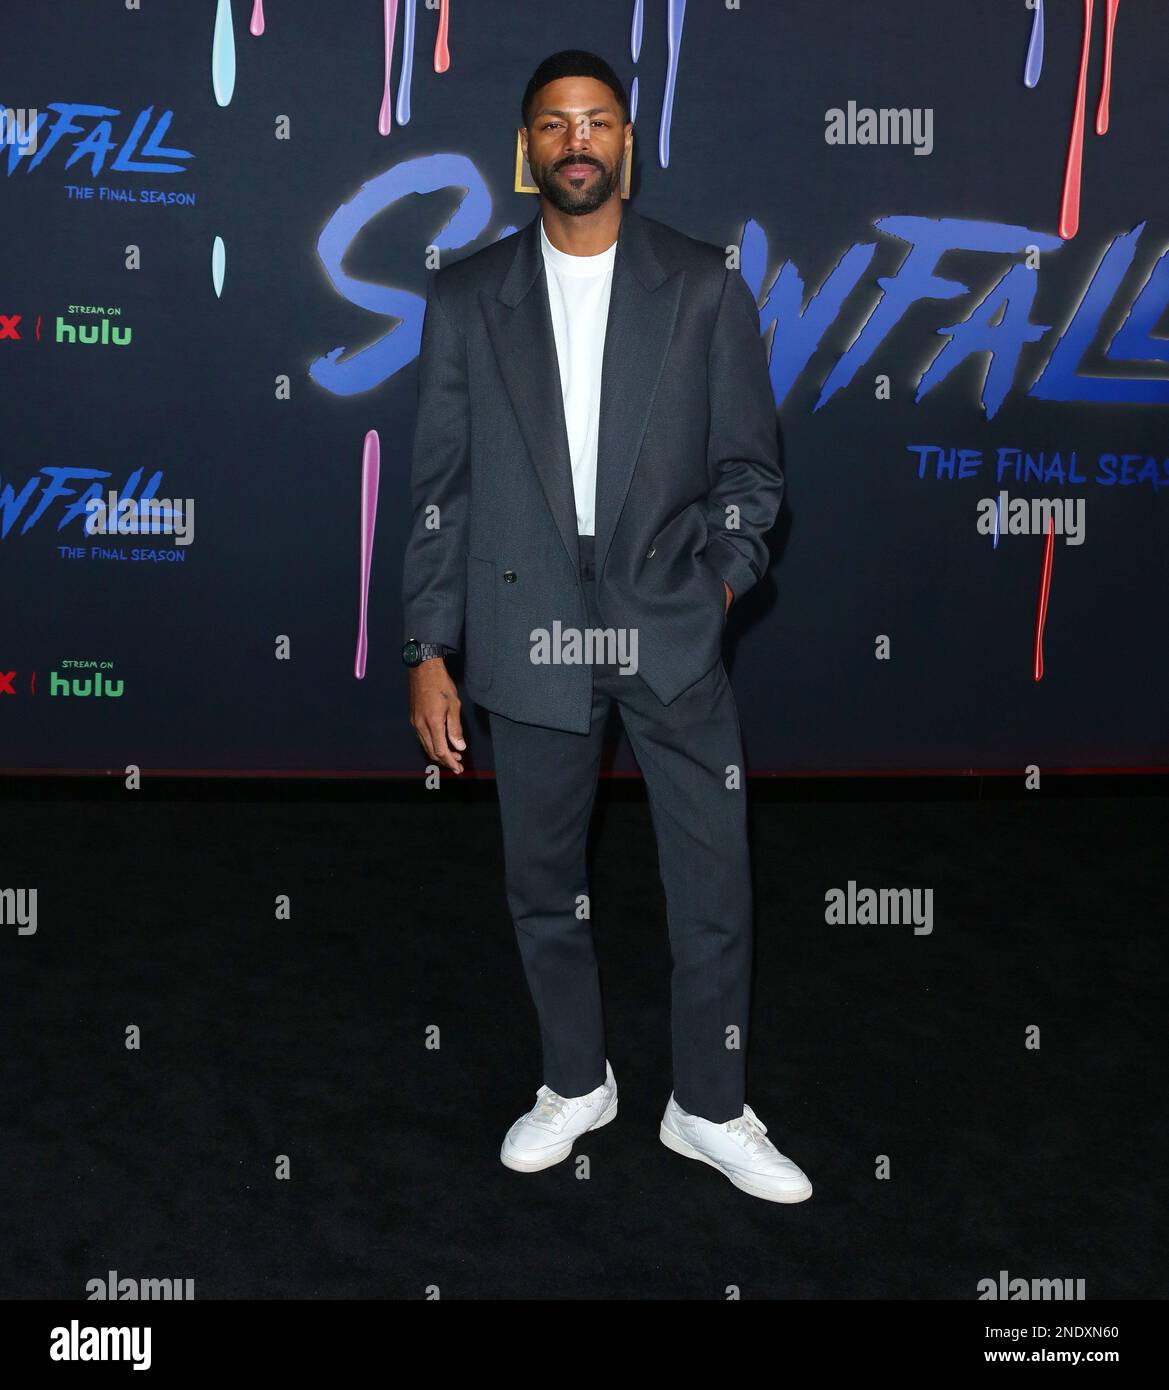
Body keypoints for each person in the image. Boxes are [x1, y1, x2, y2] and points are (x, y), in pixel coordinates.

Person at [402, 49, 811, 1203]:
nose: (574, 141)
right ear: (525, 152)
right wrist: (426, 648)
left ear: (628, 143)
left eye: (595, 123)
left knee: (712, 880)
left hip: (668, 619)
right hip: (524, 621)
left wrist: (718, 583)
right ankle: (574, 1082)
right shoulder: (466, 295)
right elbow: (438, 485)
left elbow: (750, 472)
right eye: (551, 125)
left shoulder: (700, 283)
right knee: (541, 880)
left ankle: (709, 1106)